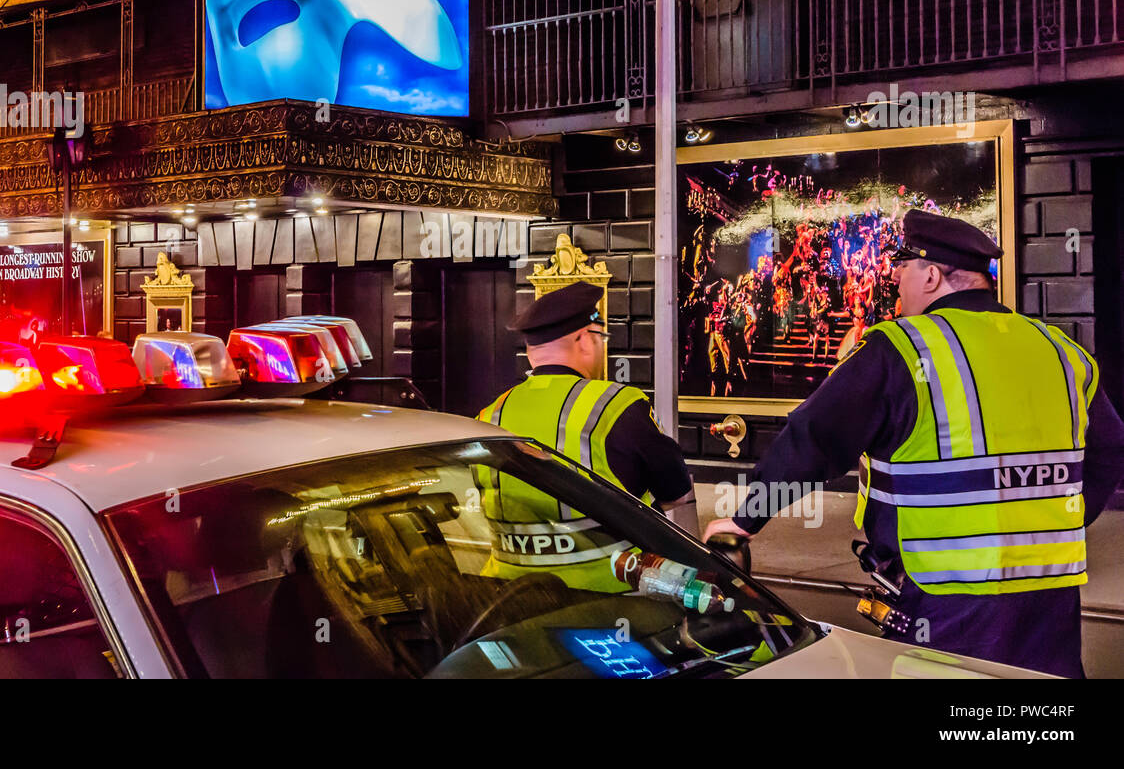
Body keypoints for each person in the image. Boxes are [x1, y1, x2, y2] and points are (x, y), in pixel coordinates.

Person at [704, 209, 1124, 677]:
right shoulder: (1059, 349)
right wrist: (1056, 518)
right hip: (1050, 598)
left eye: (901, 272)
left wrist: (745, 518)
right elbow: (1110, 450)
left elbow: (815, 439)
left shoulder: (904, 348)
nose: (896, 285)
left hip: (945, 599)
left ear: (931, 275)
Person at [476, 282, 696, 591]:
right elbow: (677, 494)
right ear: (584, 340)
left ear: (530, 350)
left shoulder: (489, 415)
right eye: (600, 337)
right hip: (610, 599)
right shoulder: (617, 405)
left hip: (507, 598)